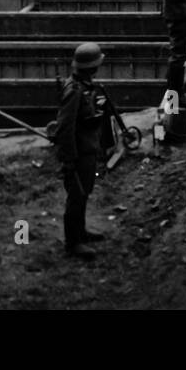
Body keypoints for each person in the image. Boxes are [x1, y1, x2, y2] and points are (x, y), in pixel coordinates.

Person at [53, 42, 110, 260]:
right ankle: (73, 243)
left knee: (84, 192)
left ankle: (81, 232)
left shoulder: (85, 86)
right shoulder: (74, 90)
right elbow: (65, 127)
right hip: (78, 153)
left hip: (87, 149)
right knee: (76, 195)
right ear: (92, 67)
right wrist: (69, 159)